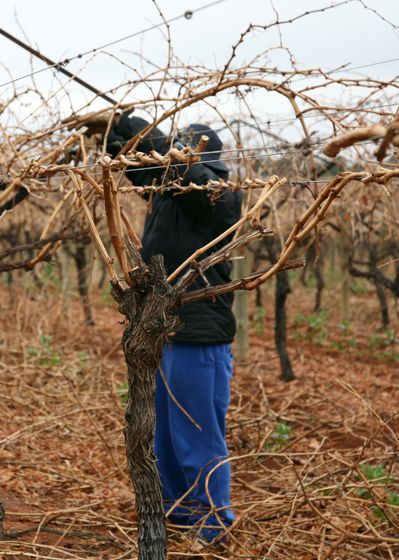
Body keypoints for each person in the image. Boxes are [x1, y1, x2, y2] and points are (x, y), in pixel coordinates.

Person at [105, 113, 242, 542]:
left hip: (198, 335)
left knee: (197, 435)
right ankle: (178, 514)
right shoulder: (168, 192)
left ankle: (213, 525)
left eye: (181, 151)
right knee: (163, 434)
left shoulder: (217, 194)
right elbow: (144, 171)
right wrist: (122, 139)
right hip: (162, 330)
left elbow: (184, 174)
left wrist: (153, 136)